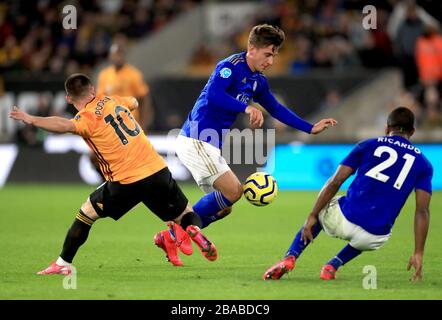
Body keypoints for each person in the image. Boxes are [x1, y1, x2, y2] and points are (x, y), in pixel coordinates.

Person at [9, 73, 217, 273]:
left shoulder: (85, 118)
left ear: (69, 99)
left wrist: (32, 119)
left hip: (125, 181)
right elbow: (134, 101)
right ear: (92, 89)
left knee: (86, 214)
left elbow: (63, 125)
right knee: (186, 213)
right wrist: (129, 104)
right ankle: (194, 231)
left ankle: (63, 263)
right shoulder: (112, 100)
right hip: (157, 170)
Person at [169, 24, 337, 232]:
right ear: (252, 49)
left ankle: (179, 234)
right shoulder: (230, 66)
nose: (271, 61)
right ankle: (173, 233)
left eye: (274, 55)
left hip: (209, 144)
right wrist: (246, 108)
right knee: (233, 192)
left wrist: (309, 128)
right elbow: (215, 94)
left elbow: (275, 108)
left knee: (223, 208)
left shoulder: (258, 81)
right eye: (267, 54)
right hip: (196, 139)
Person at [263, 107, 432, 281]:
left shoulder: (368, 145)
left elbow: (336, 182)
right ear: (412, 131)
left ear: (387, 128)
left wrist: (312, 216)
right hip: (374, 237)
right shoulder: (424, 165)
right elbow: (422, 211)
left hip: (345, 219)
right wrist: (418, 252)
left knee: (325, 203)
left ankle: (290, 257)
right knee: (379, 230)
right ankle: (332, 265)